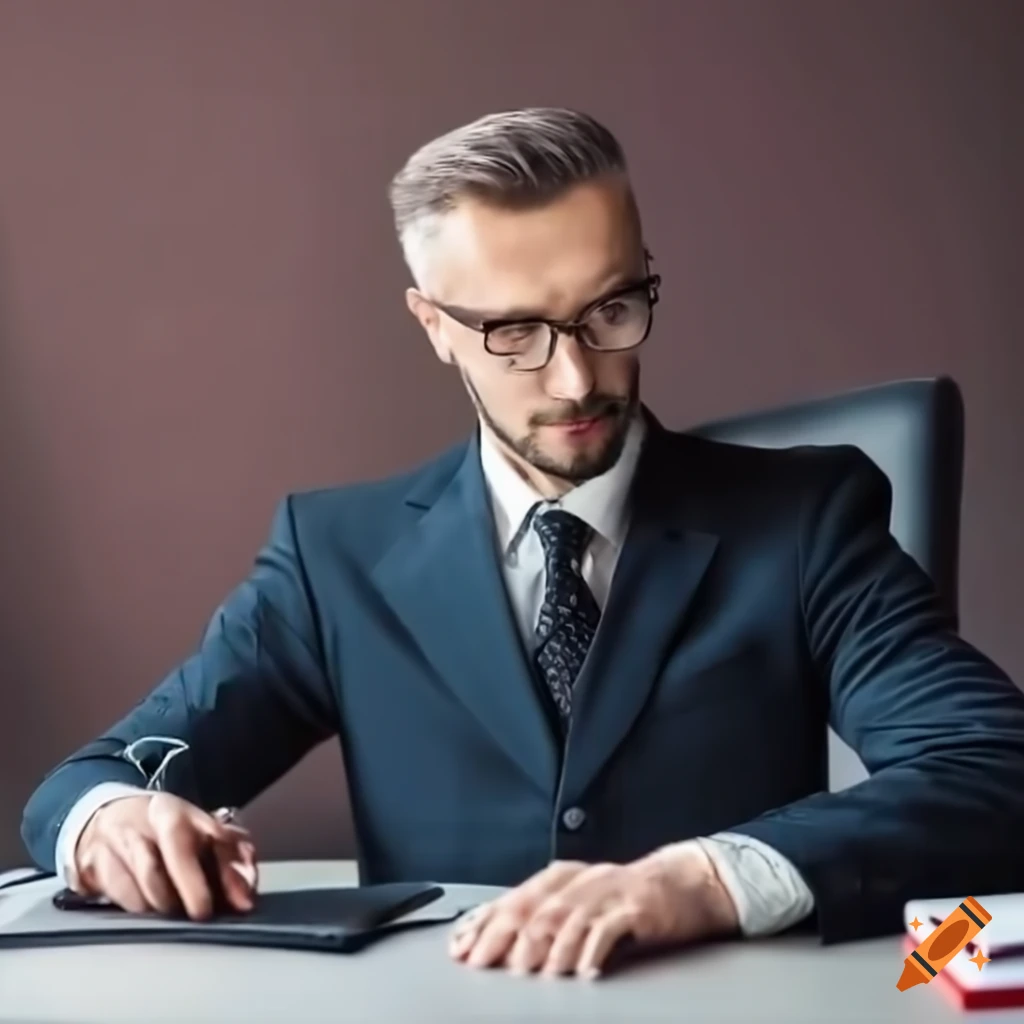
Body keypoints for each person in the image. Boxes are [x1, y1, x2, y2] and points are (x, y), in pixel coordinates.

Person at [21, 107, 1024, 980]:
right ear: (433, 325)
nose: (577, 377)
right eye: (514, 332)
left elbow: (991, 765)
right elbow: (96, 777)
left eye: (611, 309)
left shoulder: (805, 518)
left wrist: (708, 874)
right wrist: (111, 820)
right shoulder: (335, 559)